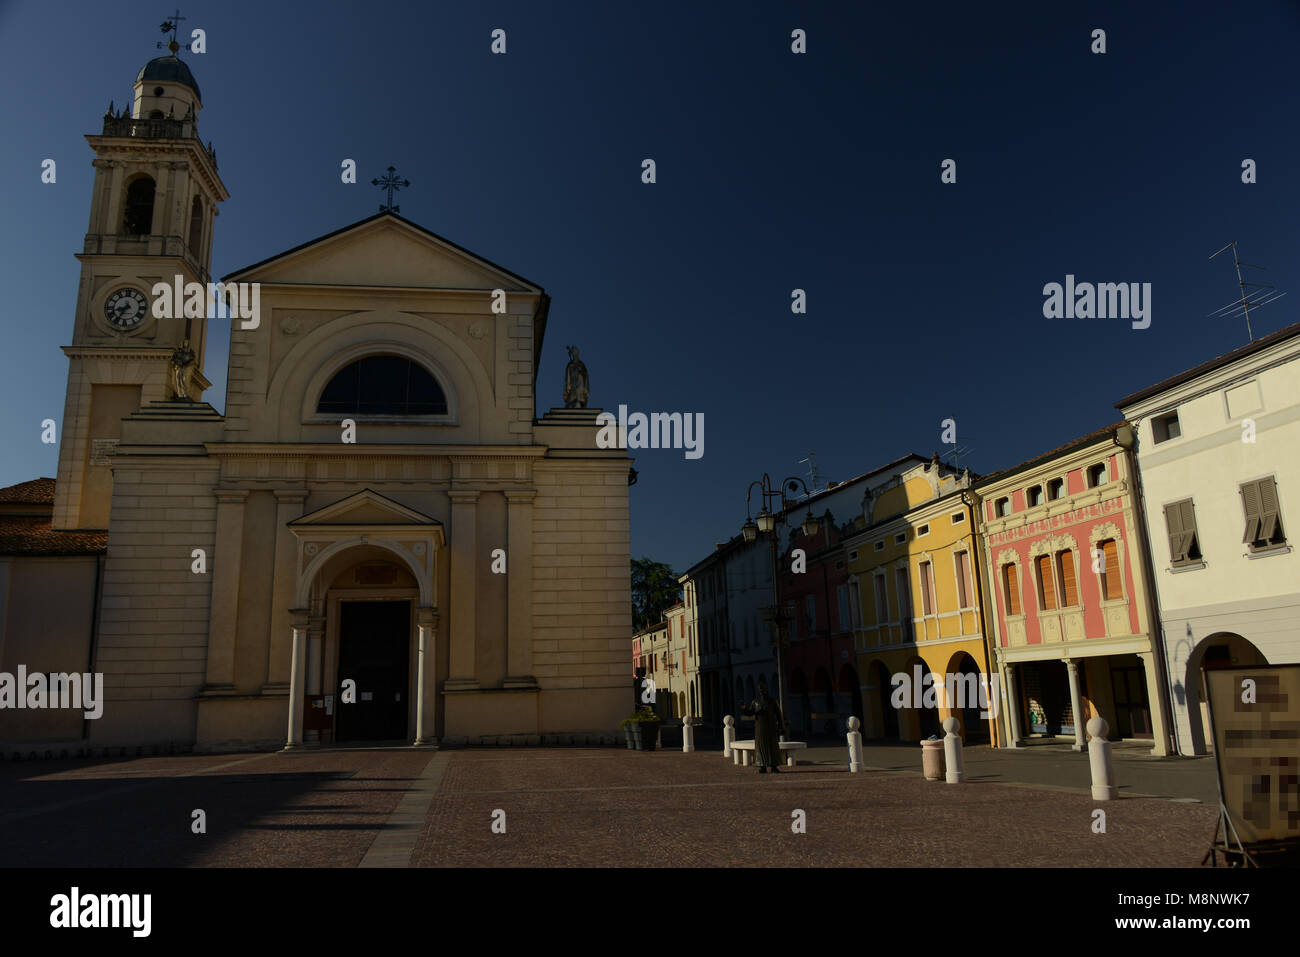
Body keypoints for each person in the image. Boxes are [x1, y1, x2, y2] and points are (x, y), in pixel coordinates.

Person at [741, 679, 786, 773]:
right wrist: (744, 708)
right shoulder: (755, 702)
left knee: (772, 746)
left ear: (766, 690)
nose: (761, 691)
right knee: (760, 747)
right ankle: (762, 766)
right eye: (760, 689)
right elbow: (750, 713)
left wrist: (782, 726)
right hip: (760, 729)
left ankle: (774, 766)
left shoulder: (772, 701)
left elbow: (779, 715)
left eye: (763, 689)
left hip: (771, 727)